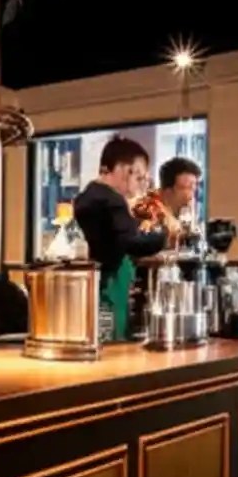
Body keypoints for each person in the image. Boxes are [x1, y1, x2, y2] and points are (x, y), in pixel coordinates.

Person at [73, 136, 168, 340]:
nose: (139, 186)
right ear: (126, 171)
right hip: (111, 282)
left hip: (99, 281)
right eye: (139, 178)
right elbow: (131, 242)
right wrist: (164, 236)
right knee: (112, 343)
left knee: (102, 335)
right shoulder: (111, 200)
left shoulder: (88, 196)